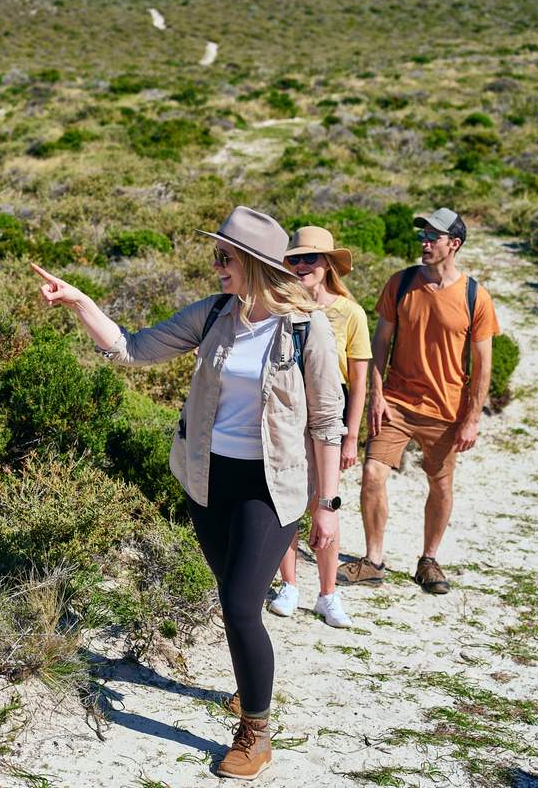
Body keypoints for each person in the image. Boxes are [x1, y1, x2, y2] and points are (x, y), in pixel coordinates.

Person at [32, 206, 344, 781]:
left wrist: (327, 506)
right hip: (208, 479)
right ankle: (250, 684)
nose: (216, 265)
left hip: (270, 487)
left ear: (253, 263)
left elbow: (327, 423)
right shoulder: (215, 313)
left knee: (240, 606)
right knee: (234, 598)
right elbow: (132, 348)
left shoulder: (307, 328)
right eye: (216, 255)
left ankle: (255, 730)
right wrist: (80, 303)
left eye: (225, 257)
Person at [338, 208, 500, 594]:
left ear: (454, 244)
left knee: (440, 485)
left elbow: (483, 365)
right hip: (395, 401)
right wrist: (377, 394)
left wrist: (472, 418)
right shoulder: (401, 283)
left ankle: (428, 560)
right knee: (372, 473)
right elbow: (379, 343)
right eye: (422, 236)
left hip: (446, 409)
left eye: (433, 237)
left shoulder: (475, 297)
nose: (424, 243)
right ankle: (373, 561)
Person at [267, 227, 371, 628]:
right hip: (288, 407)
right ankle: (289, 584)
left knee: (326, 502)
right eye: (294, 259)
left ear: (328, 264)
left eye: (310, 258)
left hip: (329, 413)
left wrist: (351, 436)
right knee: (286, 497)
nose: (301, 265)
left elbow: (359, 382)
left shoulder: (350, 312)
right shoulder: (279, 307)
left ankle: (328, 593)